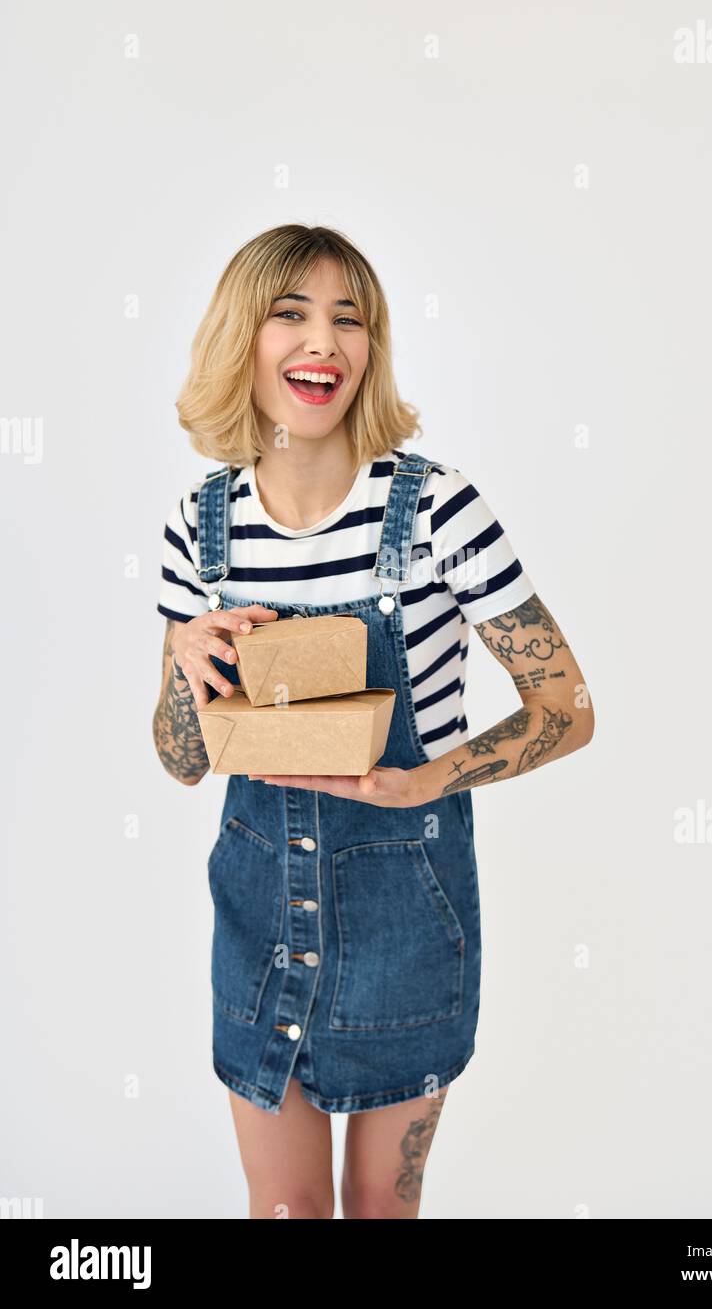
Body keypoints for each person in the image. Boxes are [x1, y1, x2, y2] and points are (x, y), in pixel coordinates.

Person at [152, 223, 595, 1219]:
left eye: (348, 320)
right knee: (285, 1214)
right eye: (291, 314)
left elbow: (566, 709)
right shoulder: (201, 526)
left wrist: (422, 779)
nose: (324, 342)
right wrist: (186, 660)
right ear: (242, 337)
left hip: (405, 909)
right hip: (257, 911)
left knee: (379, 1212)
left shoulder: (436, 511)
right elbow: (181, 760)